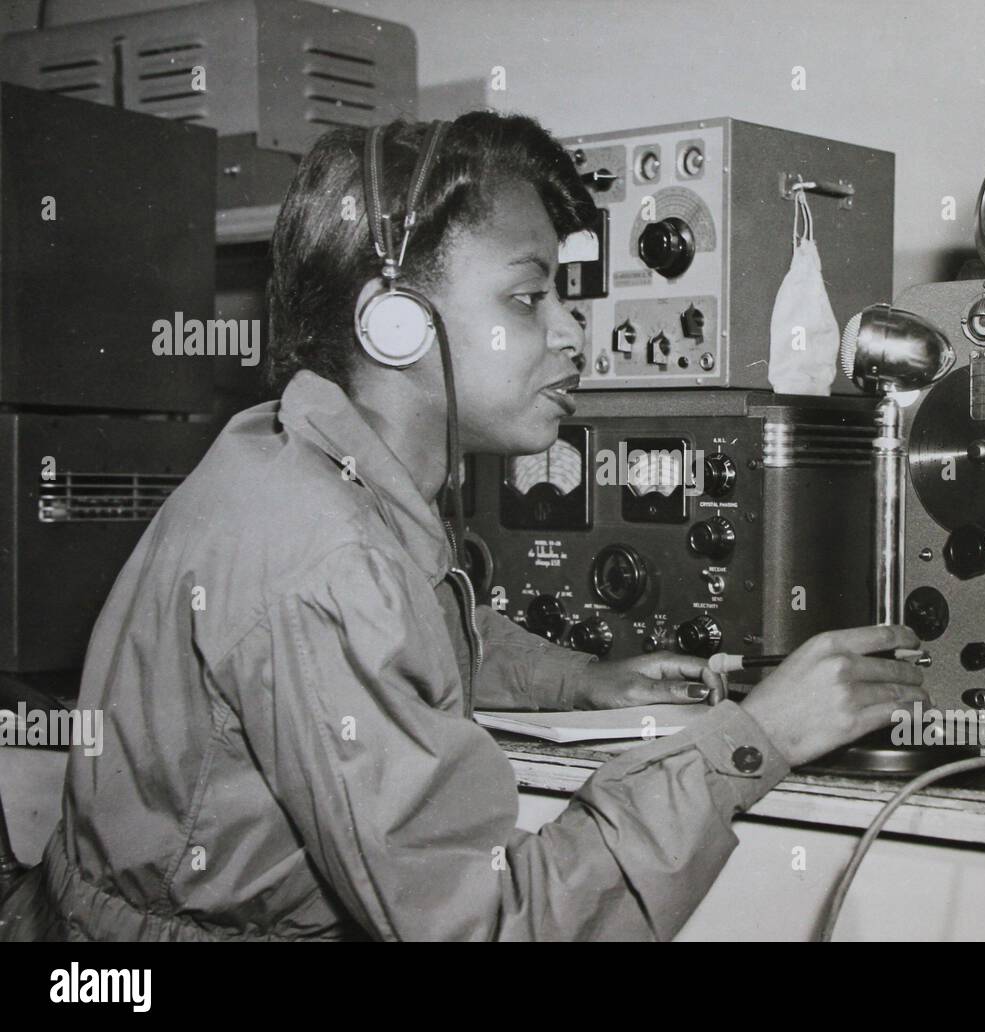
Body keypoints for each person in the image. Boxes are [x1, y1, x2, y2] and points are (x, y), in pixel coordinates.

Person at [0, 112, 926, 941]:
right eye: (528, 299)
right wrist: (756, 736)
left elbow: (415, 628)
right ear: (396, 325)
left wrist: (576, 679)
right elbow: (486, 925)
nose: (575, 335)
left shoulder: (297, 451)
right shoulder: (323, 553)